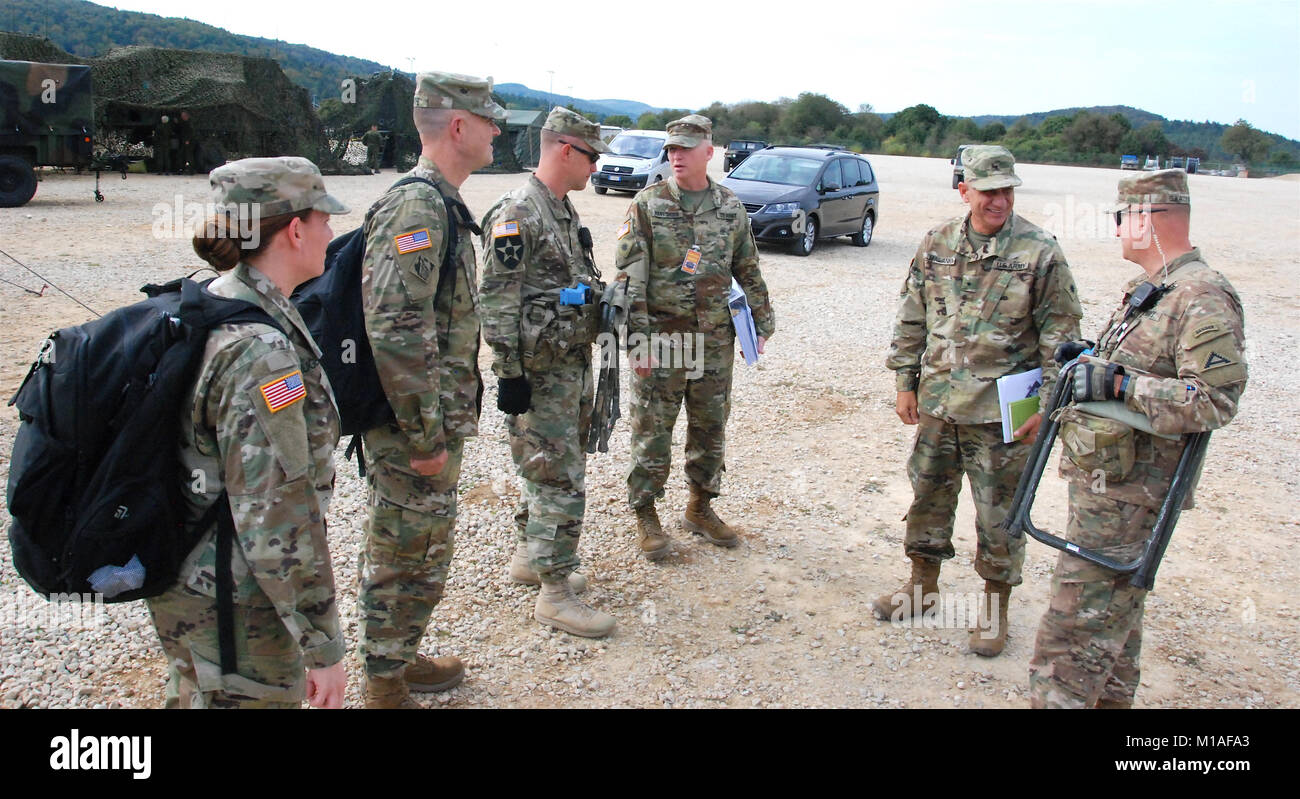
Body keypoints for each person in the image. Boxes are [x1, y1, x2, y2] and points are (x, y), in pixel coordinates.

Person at [1028, 169, 1247, 708]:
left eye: (1122, 218)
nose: (1118, 229)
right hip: (1109, 493)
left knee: (1072, 639)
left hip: (1132, 502)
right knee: (1112, 636)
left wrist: (1120, 383)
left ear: (1147, 220)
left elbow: (1214, 401)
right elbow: (1142, 371)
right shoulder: (1156, 289)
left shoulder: (1202, 296)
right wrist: (1092, 362)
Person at [146, 156, 349, 708]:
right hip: (236, 605)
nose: (332, 232)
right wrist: (323, 644)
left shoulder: (221, 298)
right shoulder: (261, 352)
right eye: (324, 219)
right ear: (295, 228)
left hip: (192, 580)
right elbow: (274, 513)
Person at [879, 145, 1083, 656]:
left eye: (1007, 190)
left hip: (1001, 415)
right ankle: (921, 590)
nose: (999, 200)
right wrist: (905, 381)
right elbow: (911, 316)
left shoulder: (1040, 252)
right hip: (939, 405)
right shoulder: (937, 242)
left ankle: (994, 614)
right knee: (927, 499)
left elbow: (1062, 338)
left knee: (999, 518)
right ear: (964, 189)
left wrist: (1046, 407)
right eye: (988, 190)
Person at [356, 71, 504, 709]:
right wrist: (423, 435)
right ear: (460, 127)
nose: (499, 130)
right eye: (490, 119)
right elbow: (395, 326)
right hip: (411, 427)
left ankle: (400, 654)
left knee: (422, 545)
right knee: (403, 547)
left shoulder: (441, 200)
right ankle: (383, 682)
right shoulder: (418, 205)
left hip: (429, 419)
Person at [479, 106, 615, 637]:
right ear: (564, 150)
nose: (595, 166)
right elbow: (496, 299)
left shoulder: (560, 210)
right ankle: (555, 593)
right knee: (560, 477)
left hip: (568, 364)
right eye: (590, 155)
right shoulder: (519, 213)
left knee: (547, 467)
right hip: (539, 375)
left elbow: (567, 285)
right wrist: (509, 372)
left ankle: (530, 558)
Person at [614, 114, 775, 561]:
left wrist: (760, 324)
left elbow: (748, 267)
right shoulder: (648, 204)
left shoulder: (729, 206)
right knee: (652, 430)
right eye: (671, 149)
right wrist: (636, 340)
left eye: (686, 148)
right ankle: (646, 513)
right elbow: (630, 278)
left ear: (710, 151)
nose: (677, 156)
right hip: (662, 340)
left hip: (714, 341)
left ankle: (700, 506)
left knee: (710, 428)